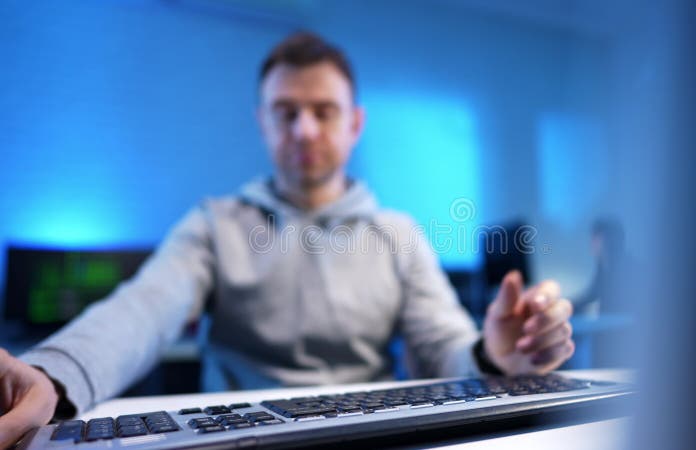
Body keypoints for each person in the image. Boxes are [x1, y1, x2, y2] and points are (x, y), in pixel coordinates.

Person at [0, 32, 575, 448]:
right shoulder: (215, 223)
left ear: (355, 123)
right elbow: (141, 311)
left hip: (374, 436)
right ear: (263, 122)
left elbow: (441, 341)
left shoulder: (398, 233)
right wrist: (49, 376)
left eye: (323, 111)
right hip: (236, 438)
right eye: (286, 112)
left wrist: (493, 355)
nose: (304, 129)